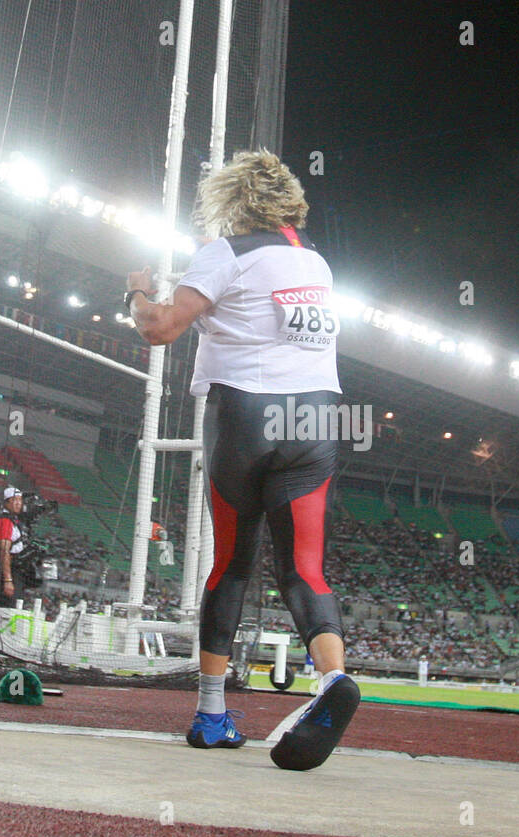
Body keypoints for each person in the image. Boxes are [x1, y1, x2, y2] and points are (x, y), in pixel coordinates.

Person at [126, 149, 359, 771]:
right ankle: (333, 680)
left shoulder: (224, 254)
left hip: (245, 416)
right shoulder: (316, 263)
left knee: (231, 564)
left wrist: (140, 292)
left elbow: (159, 329)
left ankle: (209, 714)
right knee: (304, 568)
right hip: (317, 417)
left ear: (229, 201)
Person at [0, 487, 32, 606]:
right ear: (6, 502)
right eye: (15, 500)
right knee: (9, 609)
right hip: (9, 571)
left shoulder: (14, 521)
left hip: (15, 571)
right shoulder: (5, 522)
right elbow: (4, 551)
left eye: (20, 500)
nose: (19, 503)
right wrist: (8, 580)